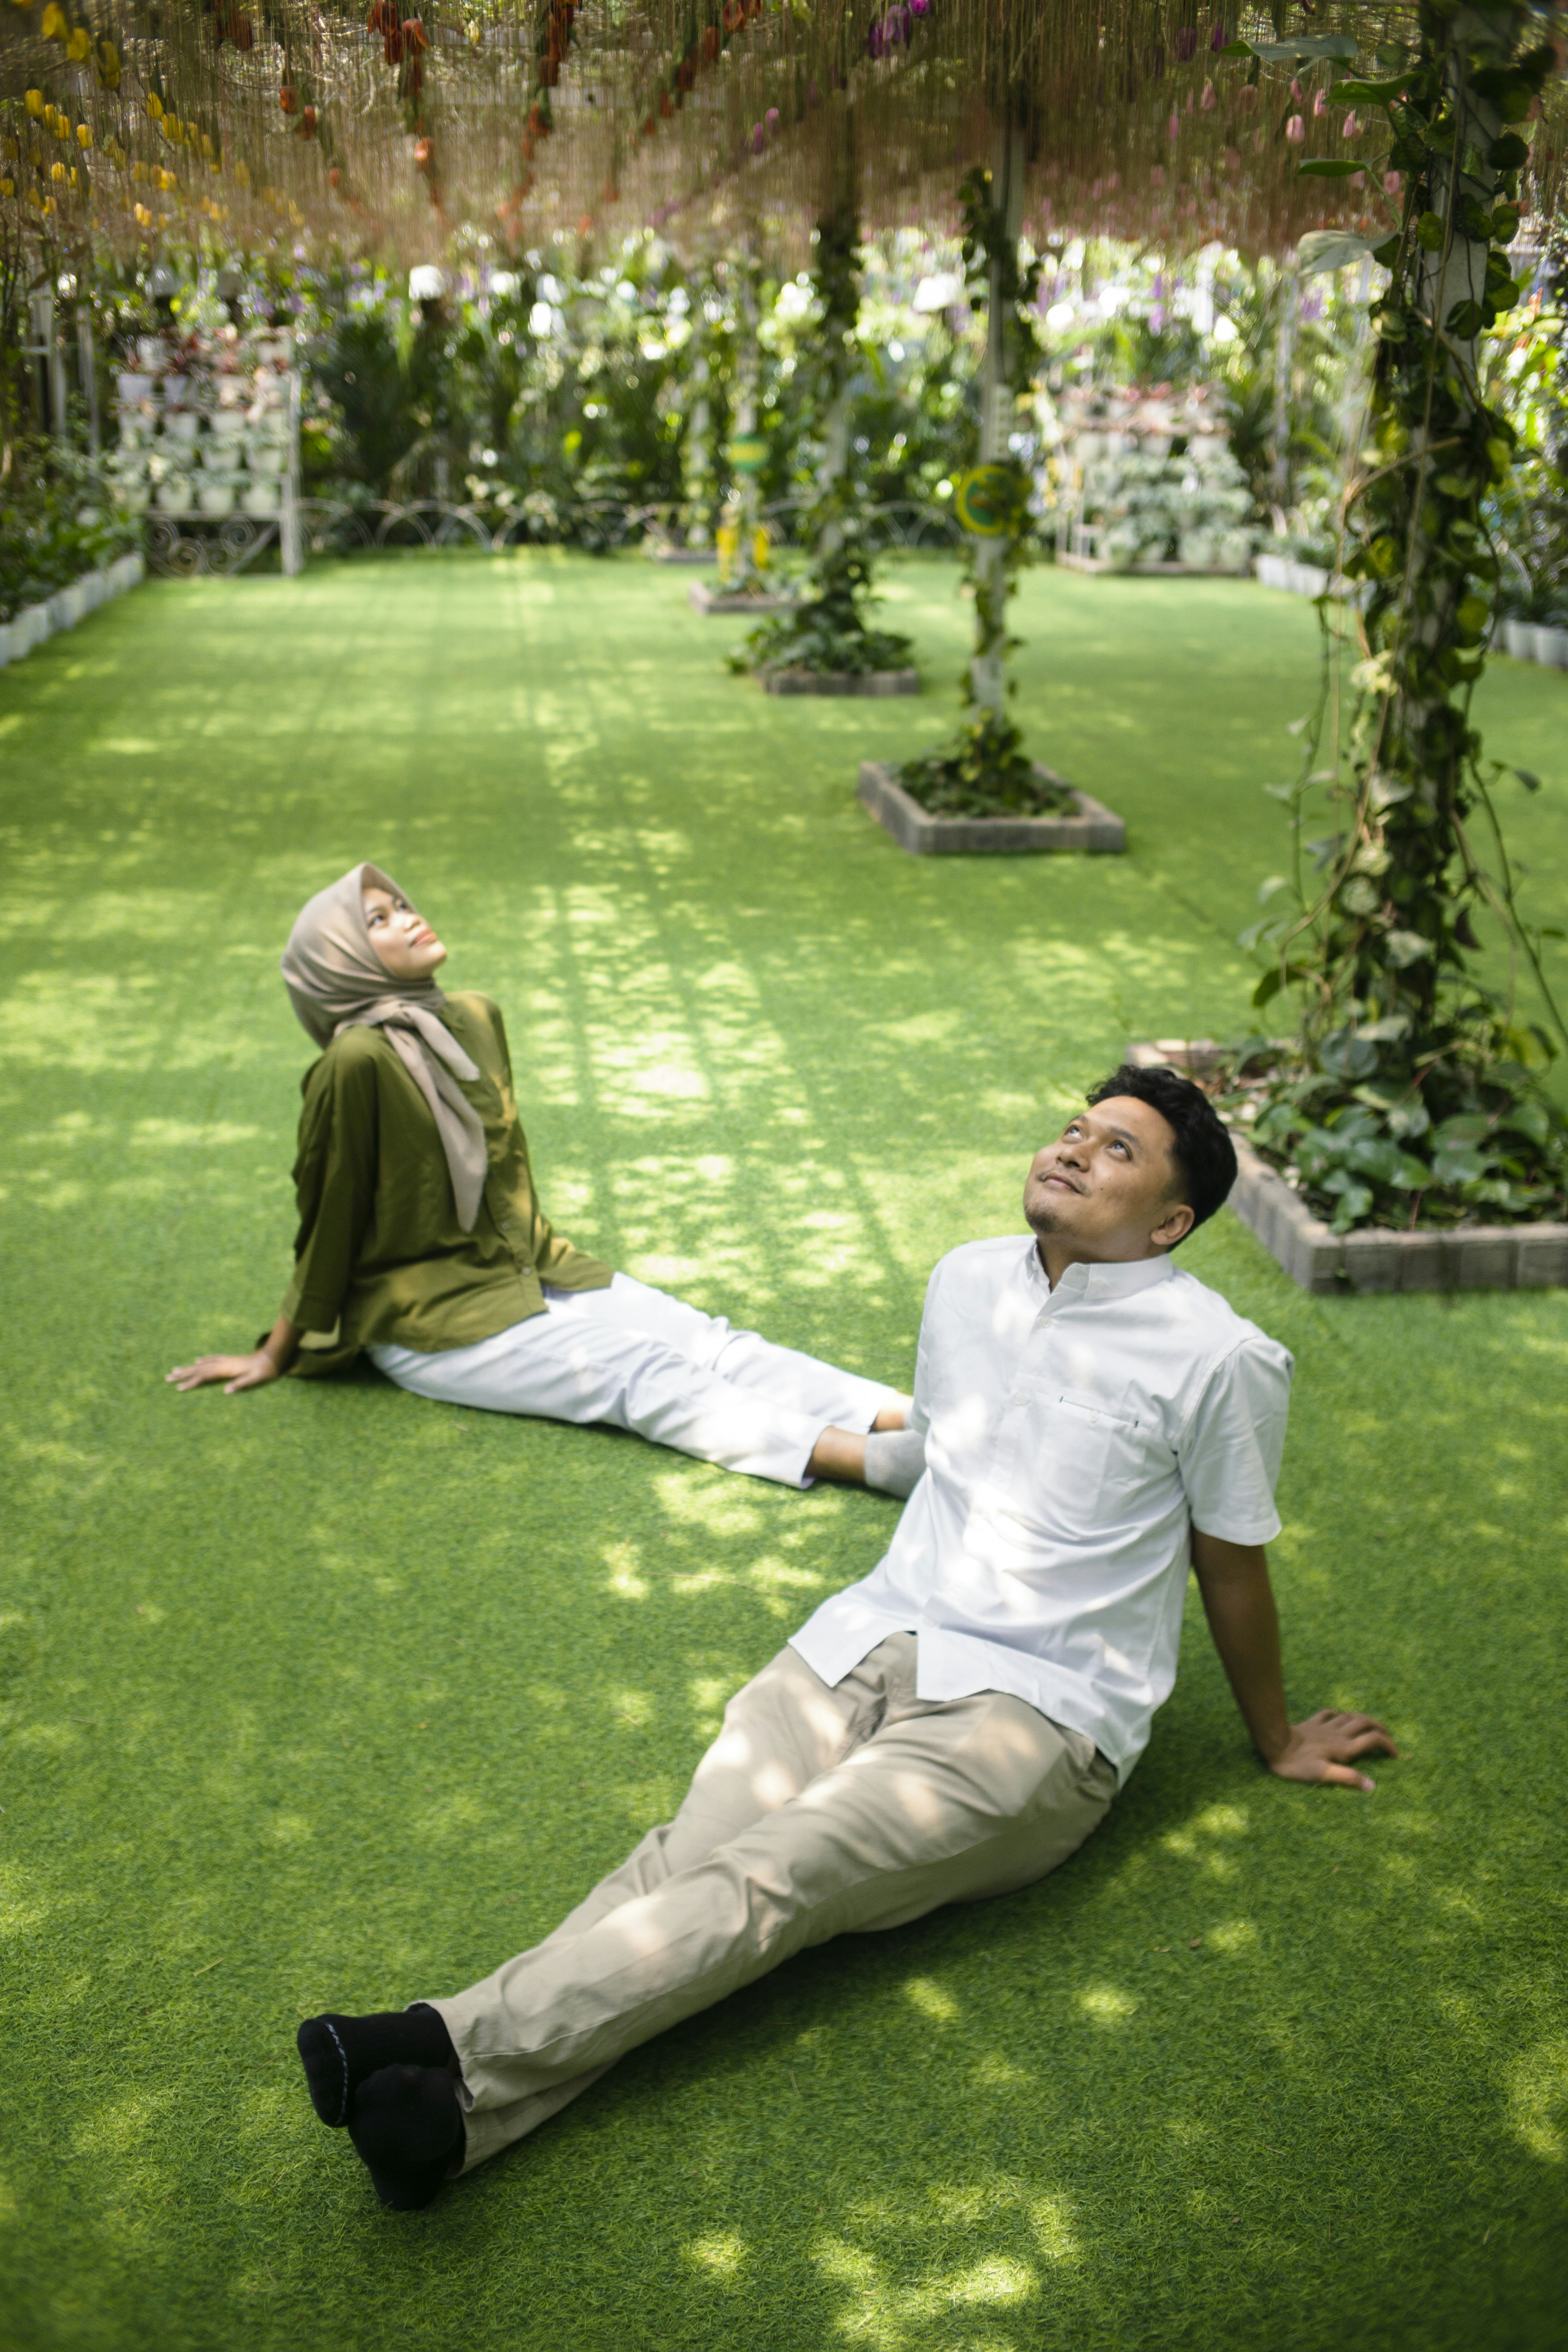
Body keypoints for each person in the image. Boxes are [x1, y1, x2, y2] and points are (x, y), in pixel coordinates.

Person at [294, 1063, 1397, 2210]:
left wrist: (1273, 1738)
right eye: (1074, 1127)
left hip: (1040, 1711)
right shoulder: (967, 1281)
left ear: (1172, 1221)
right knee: (685, 1864)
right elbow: (941, 1446)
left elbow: (1230, 1561)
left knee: (776, 1878)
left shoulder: (1223, 1360)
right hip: (868, 1634)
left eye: (1119, 1150)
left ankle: (437, 2035)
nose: (1074, 1149)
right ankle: (449, 2124)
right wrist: (807, 1444)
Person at [167, 864, 922, 1497]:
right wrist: (279, 1349)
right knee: (639, 1371)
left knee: (708, 1340)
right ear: (342, 961)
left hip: (537, 1267)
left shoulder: (474, 1017)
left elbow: (503, 1179)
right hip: (432, 1317)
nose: (406, 918)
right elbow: (330, 1218)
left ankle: (917, 1419)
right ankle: (875, 1461)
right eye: (376, 921)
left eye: (402, 904)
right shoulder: (353, 1064)